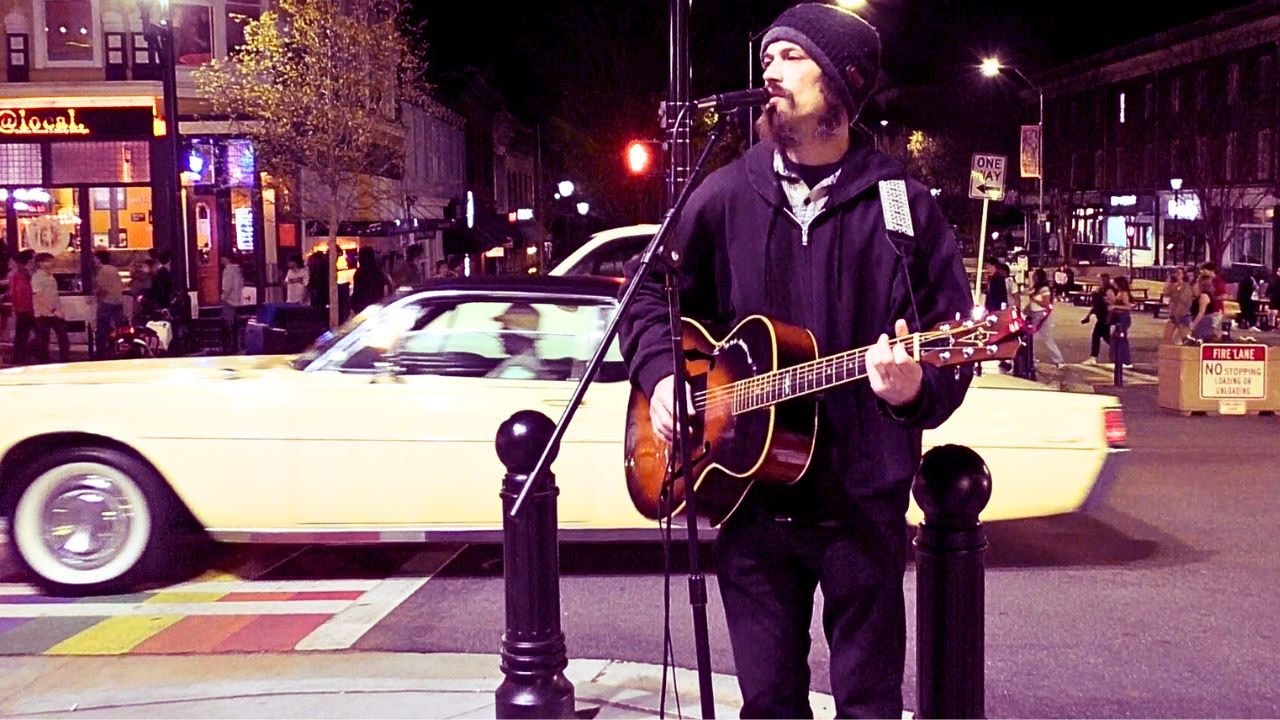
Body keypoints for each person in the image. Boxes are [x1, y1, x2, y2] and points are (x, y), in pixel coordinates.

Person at [618, 5, 972, 716]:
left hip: (859, 504)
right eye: (767, 57)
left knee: (867, 701)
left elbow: (952, 340)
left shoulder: (904, 207)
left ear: (840, 86)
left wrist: (912, 390)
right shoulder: (720, 196)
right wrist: (662, 378)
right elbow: (645, 302)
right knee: (769, 702)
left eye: (789, 57)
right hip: (748, 497)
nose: (768, 73)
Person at [486, 302, 545, 379]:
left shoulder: (518, 367)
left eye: (506, 330)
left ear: (521, 336)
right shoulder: (524, 361)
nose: (500, 335)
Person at [30, 252, 69, 364]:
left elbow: (53, 294)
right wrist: (52, 310)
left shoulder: (50, 275)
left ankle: (64, 360)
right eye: (48, 261)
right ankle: (44, 361)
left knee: (63, 338)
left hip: (55, 312)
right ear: (41, 263)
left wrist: (60, 309)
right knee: (44, 340)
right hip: (43, 314)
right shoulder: (37, 277)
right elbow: (38, 296)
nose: (51, 263)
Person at [1025, 268, 1064, 367]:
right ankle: (1031, 358)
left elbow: (1046, 303)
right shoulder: (1035, 288)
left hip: (1042, 314)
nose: (1033, 277)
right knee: (1030, 337)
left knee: (1046, 337)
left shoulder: (1045, 289)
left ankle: (1058, 359)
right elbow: (1031, 303)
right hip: (1033, 314)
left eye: (1035, 275)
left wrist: (1034, 298)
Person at [93, 251, 127, 357]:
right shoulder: (114, 269)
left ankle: (101, 351)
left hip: (107, 302)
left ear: (99, 259)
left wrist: (98, 298)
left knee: (102, 327)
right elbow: (120, 285)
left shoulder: (103, 271)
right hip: (118, 301)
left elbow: (102, 288)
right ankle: (123, 347)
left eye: (95, 258)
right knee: (120, 326)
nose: (94, 261)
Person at [1080, 273, 1113, 364]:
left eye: (1100, 280)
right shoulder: (1099, 290)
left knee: (1097, 335)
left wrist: (1109, 317)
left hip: (1105, 316)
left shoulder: (1109, 290)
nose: (1098, 281)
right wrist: (1088, 316)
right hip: (1100, 316)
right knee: (1104, 336)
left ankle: (1093, 357)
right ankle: (1119, 350)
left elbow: (1111, 304)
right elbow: (1095, 306)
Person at [350, 246, 390, 315]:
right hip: (377, 306)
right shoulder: (378, 272)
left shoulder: (359, 273)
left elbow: (357, 293)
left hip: (362, 307)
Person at [1162, 267, 1195, 343]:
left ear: (1183, 275)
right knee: (1167, 337)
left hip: (1183, 315)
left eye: (1180, 273)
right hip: (1173, 314)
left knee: (1184, 338)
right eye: (1176, 273)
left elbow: (1185, 299)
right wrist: (1168, 282)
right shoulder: (1173, 286)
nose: (1178, 275)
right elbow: (1166, 293)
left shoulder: (1187, 286)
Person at [220, 256, 245, 352]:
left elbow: (227, 286)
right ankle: (237, 345)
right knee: (235, 323)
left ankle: (229, 346)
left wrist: (223, 297)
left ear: (226, 259)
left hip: (229, 300)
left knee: (228, 323)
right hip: (237, 298)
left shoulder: (228, 271)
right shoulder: (238, 270)